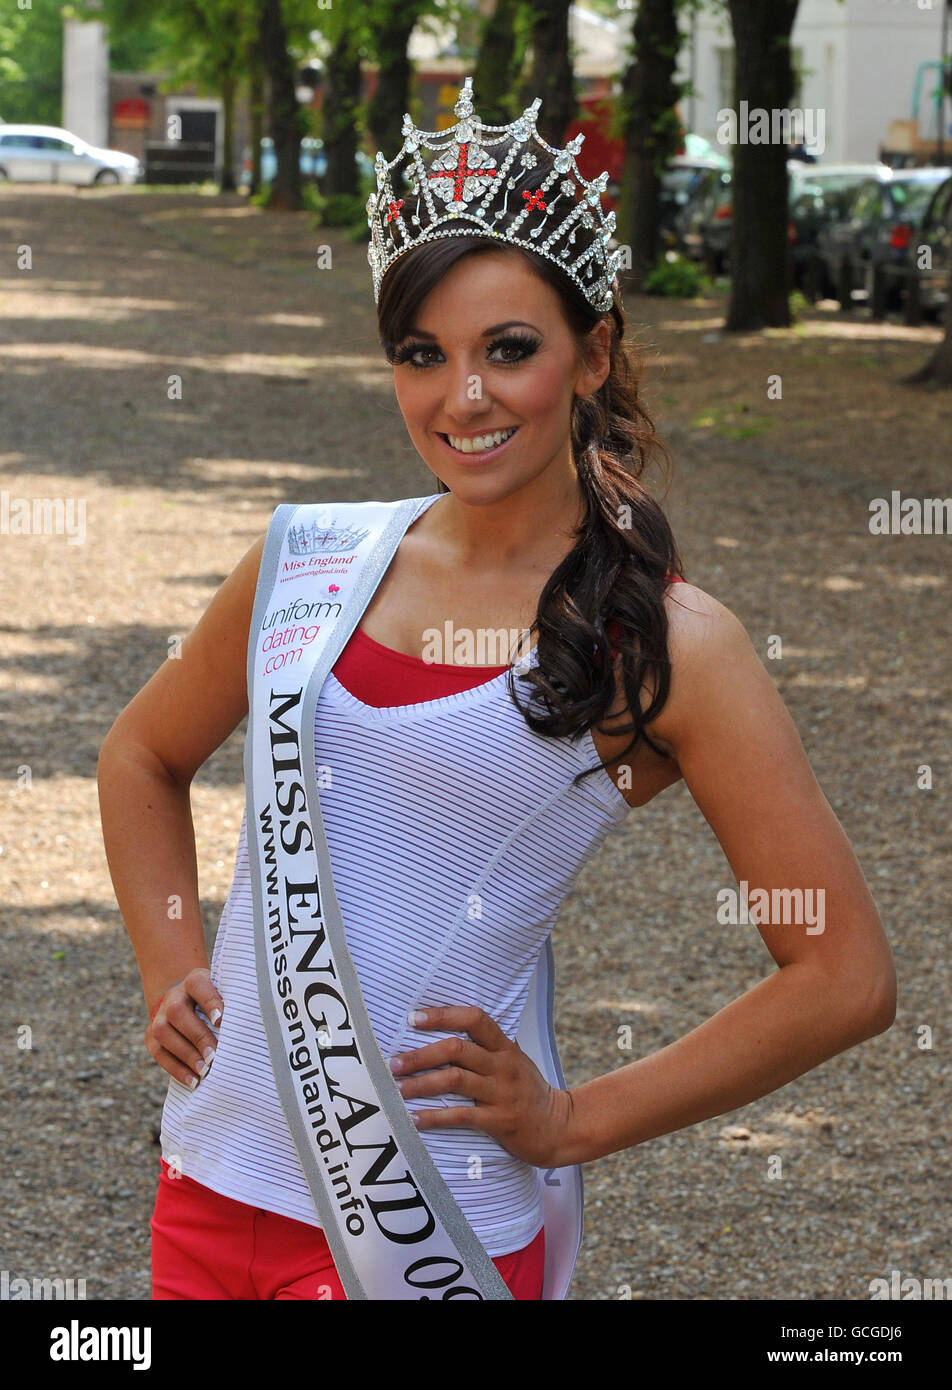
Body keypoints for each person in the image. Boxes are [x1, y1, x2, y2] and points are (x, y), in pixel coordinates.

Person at [97, 81, 896, 1302]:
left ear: (595, 352)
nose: (461, 398)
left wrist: (574, 1120)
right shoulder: (306, 558)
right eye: (422, 355)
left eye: (507, 350)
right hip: (203, 1191)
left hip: (419, 1231)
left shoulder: (670, 642)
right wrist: (169, 964)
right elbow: (142, 757)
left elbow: (842, 976)